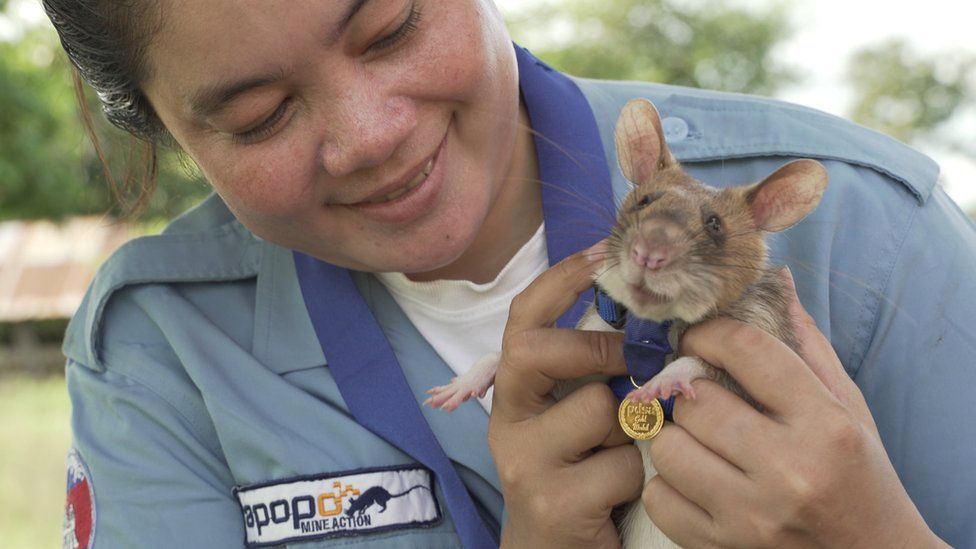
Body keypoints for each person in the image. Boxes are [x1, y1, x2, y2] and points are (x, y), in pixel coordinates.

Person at [44, 1, 974, 548]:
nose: (373, 135)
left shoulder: (866, 228)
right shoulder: (156, 346)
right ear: (166, 135)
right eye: (257, 116)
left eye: (392, 27)